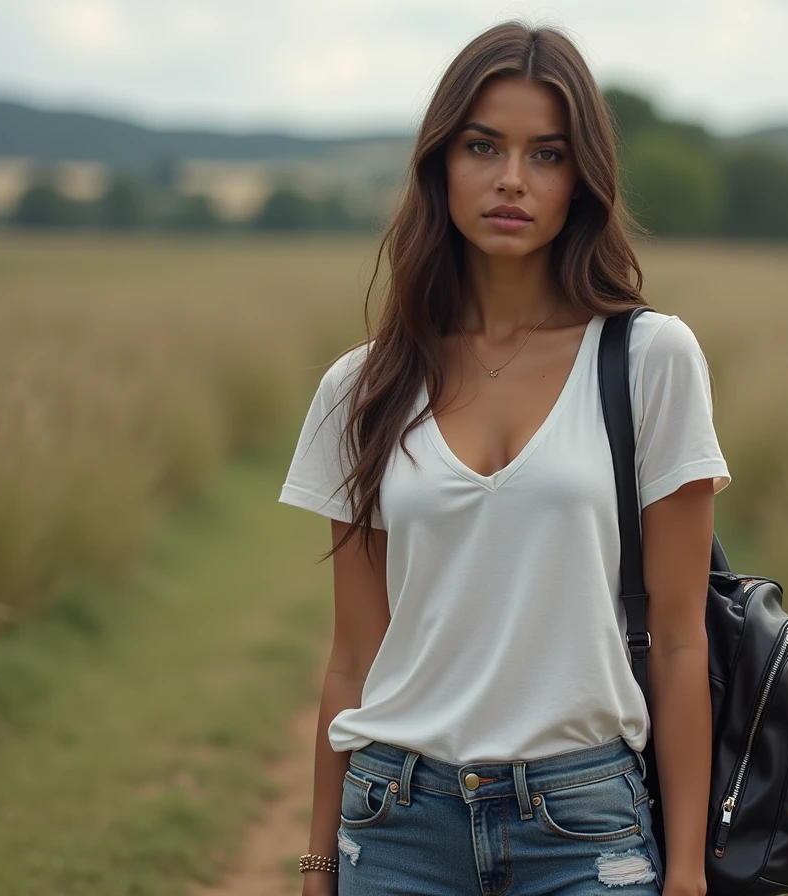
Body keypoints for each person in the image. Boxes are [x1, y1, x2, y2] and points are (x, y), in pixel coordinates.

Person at [278, 19, 731, 896]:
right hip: (396, 820)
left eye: (548, 154)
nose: (512, 180)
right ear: (440, 163)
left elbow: (680, 642)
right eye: (483, 146)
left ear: (582, 180)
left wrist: (685, 874)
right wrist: (319, 861)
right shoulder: (362, 386)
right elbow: (351, 657)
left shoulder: (651, 360)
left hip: (586, 828)